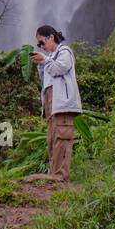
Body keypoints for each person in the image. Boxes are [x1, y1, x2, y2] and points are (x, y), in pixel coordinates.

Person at [23, 25, 82, 183]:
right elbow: (46, 79)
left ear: (51, 37)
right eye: (39, 45)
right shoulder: (51, 56)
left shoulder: (65, 51)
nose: (41, 47)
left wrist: (45, 59)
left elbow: (59, 69)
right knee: (52, 138)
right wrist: (42, 63)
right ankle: (54, 173)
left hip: (62, 102)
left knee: (62, 136)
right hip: (51, 101)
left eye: (41, 43)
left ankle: (60, 175)